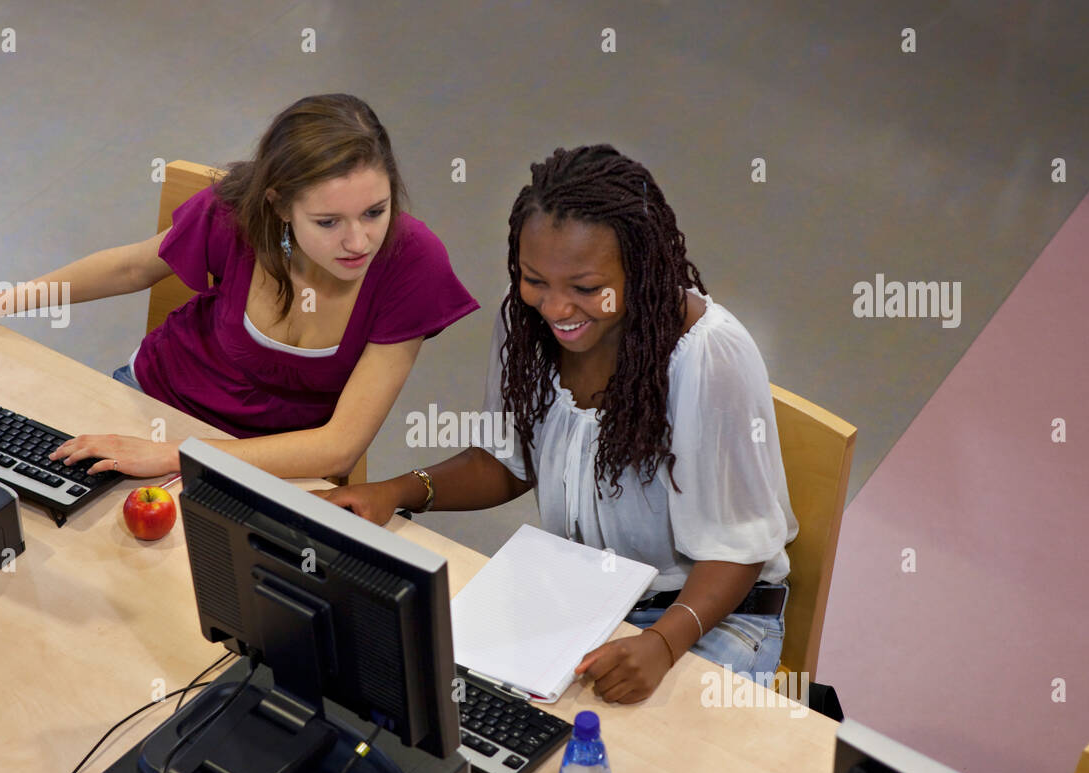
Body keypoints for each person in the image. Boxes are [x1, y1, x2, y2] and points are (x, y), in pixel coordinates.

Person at [317, 144, 798, 704]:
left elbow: (739, 549)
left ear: (639, 271)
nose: (556, 308)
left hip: (710, 616)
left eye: (587, 288)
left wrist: (664, 644)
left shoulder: (707, 355)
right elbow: (504, 463)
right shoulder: (527, 321)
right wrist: (394, 492)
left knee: (633, 772)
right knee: (431, 699)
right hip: (588, 597)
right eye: (535, 279)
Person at [0, 93, 479, 479]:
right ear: (277, 206)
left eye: (375, 212)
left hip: (262, 460)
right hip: (154, 399)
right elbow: (133, 267)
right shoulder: (233, 214)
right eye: (328, 223)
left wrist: (176, 456)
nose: (358, 241)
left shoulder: (412, 261)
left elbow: (338, 446)